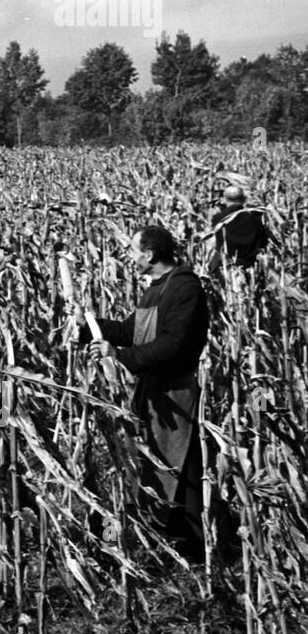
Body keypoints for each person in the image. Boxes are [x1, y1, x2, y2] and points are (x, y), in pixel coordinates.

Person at [76, 225, 235, 564]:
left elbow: (173, 344)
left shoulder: (185, 288)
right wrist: (86, 327)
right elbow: (131, 331)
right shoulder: (156, 290)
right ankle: (155, 540)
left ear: (149, 255)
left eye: (133, 251)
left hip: (177, 398)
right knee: (145, 469)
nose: (129, 258)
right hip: (151, 395)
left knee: (186, 474)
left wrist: (118, 357)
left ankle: (206, 553)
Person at [208, 184, 273, 270]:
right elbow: (263, 243)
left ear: (224, 200)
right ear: (243, 199)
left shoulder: (218, 219)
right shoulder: (255, 218)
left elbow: (214, 245)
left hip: (225, 268)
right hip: (251, 268)